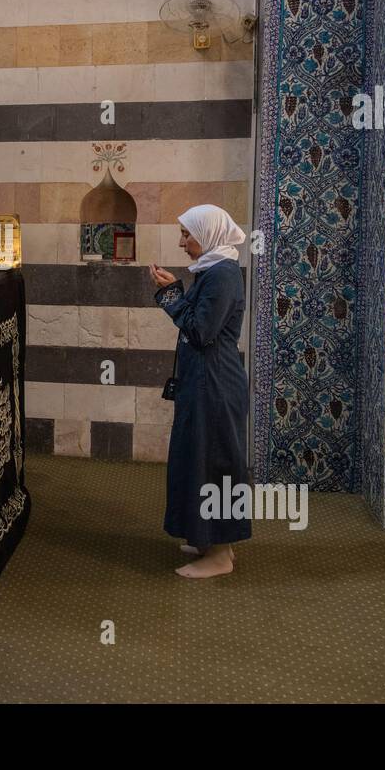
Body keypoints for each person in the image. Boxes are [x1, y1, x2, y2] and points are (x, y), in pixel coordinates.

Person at [149, 204, 251, 579]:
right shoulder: (213, 270)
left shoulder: (222, 275)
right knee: (199, 459)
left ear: (207, 234)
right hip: (204, 383)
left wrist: (170, 297)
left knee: (216, 464)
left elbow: (199, 332)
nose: (181, 243)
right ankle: (208, 538)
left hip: (215, 386)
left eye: (187, 235)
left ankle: (221, 554)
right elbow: (197, 316)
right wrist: (172, 288)